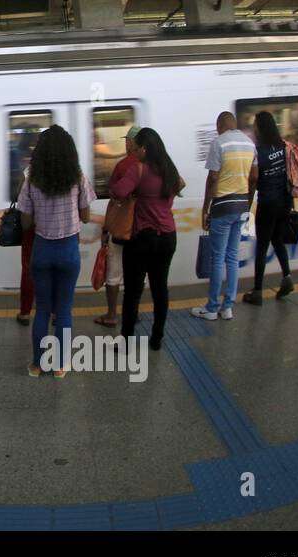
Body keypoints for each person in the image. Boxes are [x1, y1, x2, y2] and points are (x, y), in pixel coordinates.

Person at [17, 125, 94, 377]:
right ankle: (60, 365)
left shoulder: (31, 181)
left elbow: (26, 222)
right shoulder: (79, 178)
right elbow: (85, 216)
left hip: (42, 250)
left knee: (41, 309)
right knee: (63, 310)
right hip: (68, 250)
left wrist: (42, 215)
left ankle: (38, 364)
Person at [109, 128, 183, 350]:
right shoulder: (169, 169)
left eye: (137, 148)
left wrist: (135, 192)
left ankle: (126, 338)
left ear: (144, 148)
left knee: (133, 290)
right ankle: (157, 337)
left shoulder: (138, 169)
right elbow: (181, 184)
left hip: (143, 238)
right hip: (168, 236)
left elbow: (117, 192)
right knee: (160, 289)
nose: (134, 152)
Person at [196, 111, 258, 321]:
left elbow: (213, 178)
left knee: (217, 258)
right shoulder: (250, 143)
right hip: (241, 204)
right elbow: (255, 177)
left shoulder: (219, 142)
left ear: (220, 125)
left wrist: (206, 208)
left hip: (222, 205)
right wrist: (248, 205)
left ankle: (212, 308)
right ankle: (228, 306)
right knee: (232, 257)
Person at [243, 110, 294, 305]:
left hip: (267, 203)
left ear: (260, 128)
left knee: (262, 247)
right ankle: (287, 277)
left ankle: (257, 291)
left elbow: (254, 178)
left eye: (255, 125)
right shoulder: (283, 146)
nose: (253, 128)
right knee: (278, 240)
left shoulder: (259, 150)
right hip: (284, 202)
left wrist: (247, 205)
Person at [97, 125, 141, 328]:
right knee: (136, 274)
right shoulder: (153, 166)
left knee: (114, 273)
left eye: (128, 140)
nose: (125, 143)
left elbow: (114, 196)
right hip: (141, 230)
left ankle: (112, 314)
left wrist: (106, 228)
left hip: (121, 228)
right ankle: (133, 312)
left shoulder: (123, 166)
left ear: (133, 143)